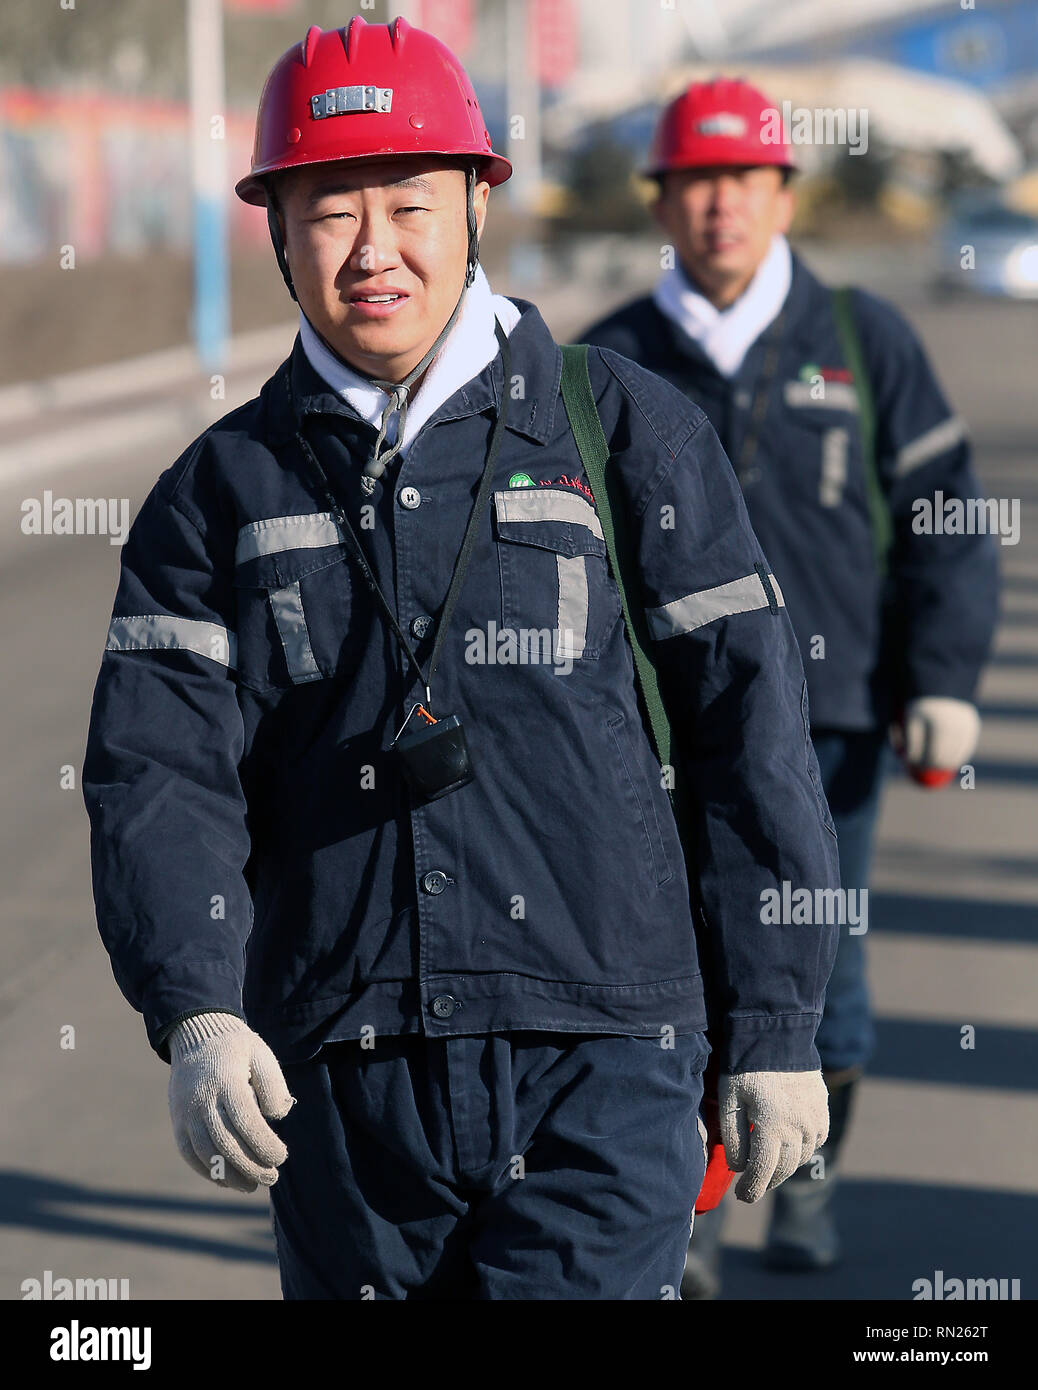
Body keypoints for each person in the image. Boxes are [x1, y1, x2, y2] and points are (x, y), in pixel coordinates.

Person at [83, 22, 841, 1301]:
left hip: (607, 1053)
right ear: (276, 227)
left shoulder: (626, 429)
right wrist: (199, 1013)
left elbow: (749, 731)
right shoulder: (215, 492)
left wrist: (775, 1022)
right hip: (341, 1077)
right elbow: (160, 776)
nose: (374, 250)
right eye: (331, 212)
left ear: (478, 202)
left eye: (409, 205)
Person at [582, 77, 1000, 1292]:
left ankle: (808, 1185)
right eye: (695, 183)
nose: (720, 206)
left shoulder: (865, 343)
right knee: (672, 970)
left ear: (781, 193)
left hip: (830, 730)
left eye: (744, 181)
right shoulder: (600, 364)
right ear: (662, 200)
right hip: (656, 735)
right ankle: (687, 1214)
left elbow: (950, 519)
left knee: (825, 969)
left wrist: (947, 675)